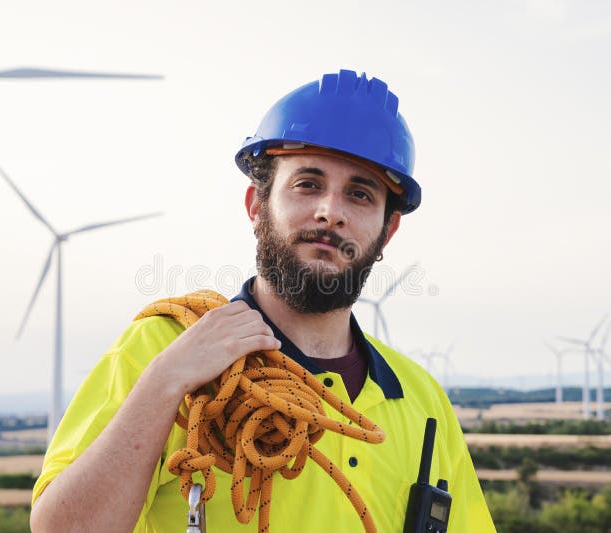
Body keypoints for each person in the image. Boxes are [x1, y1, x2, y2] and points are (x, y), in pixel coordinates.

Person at [30, 69, 495, 533]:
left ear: (386, 230)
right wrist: (166, 383)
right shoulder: (165, 345)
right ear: (257, 205)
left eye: (359, 194)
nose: (330, 211)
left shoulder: (423, 399)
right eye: (308, 184)